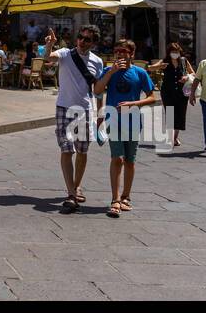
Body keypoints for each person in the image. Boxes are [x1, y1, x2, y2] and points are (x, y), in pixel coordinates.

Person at [41, 26, 103, 214]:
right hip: (64, 107)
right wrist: (49, 45)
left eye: (87, 39)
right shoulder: (66, 53)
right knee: (67, 149)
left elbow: (98, 90)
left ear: (93, 43)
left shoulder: (97, 62)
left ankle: (76, 186)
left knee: (82, 151)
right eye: (80, 37)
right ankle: (71, 193)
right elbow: (48, 58)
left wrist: (101, 113)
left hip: (84, 109)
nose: (82, 41)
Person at [93, 39, 156, 217]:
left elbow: (152, 97)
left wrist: (134, 103)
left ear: (131, 54)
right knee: (117, 158)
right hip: (113, 120)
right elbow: (97, 90)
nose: (119, 54)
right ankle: (115, 199)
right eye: (117, 51)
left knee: (130, 160)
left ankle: (126, 196)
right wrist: (111, 71)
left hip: (134, 121)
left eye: (123, 51)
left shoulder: (140, 73)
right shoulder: (108, 71)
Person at [148, 42, 193, 148]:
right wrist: (160, 66)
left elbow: (193, 73)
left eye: (176, 52)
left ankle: (175, 137)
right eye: (173, 52)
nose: (175, 54)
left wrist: (187, 77)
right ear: (169, 52)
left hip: (182, 92)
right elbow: (150, 68)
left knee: (180, 113)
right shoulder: (165, 61)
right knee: (170, 113)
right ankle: (170, 138)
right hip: (168, 91)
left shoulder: (183, 61)